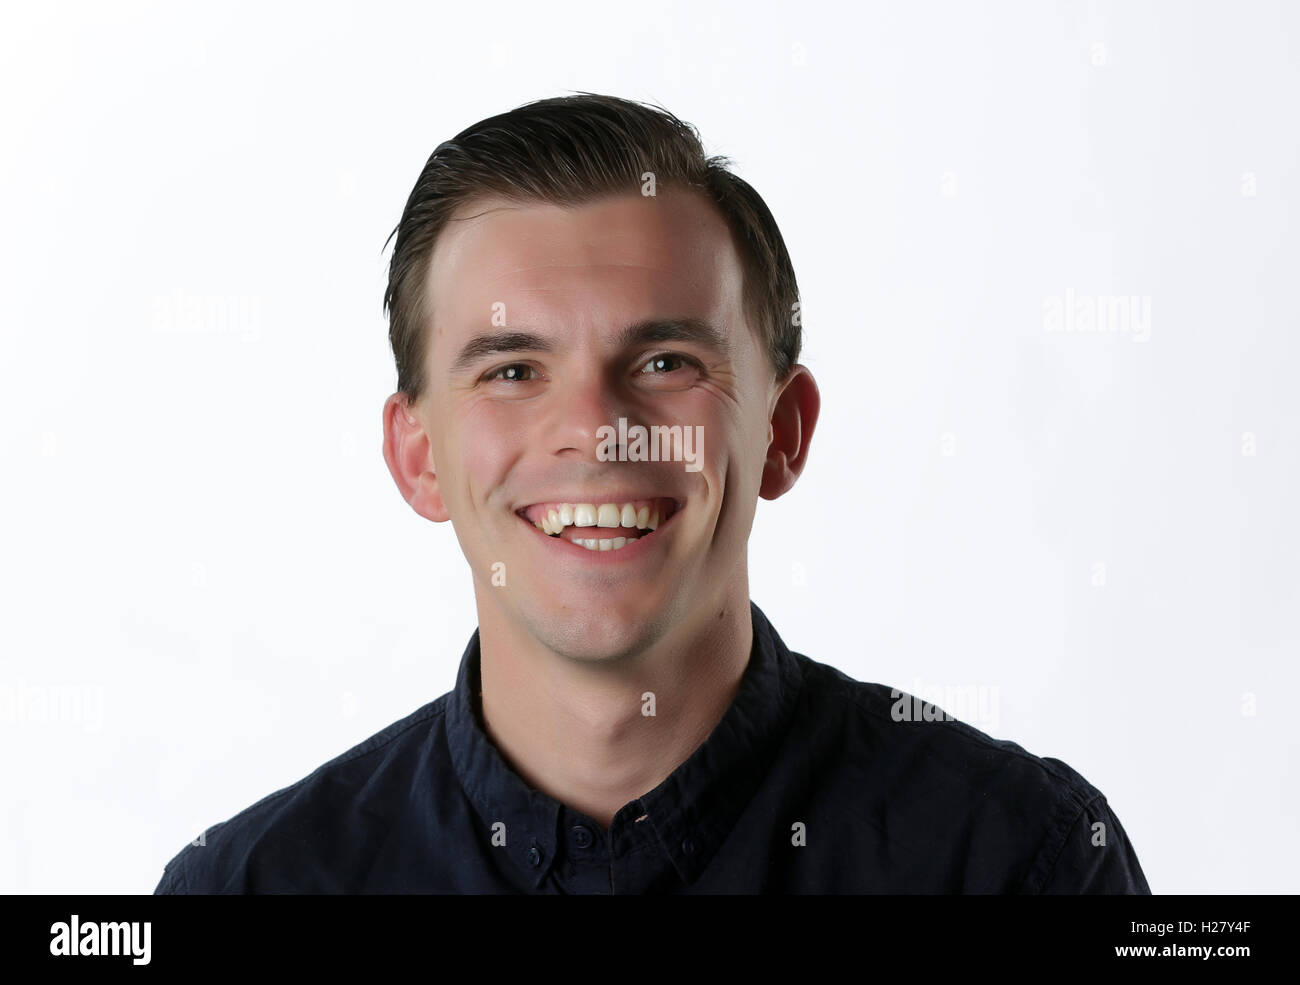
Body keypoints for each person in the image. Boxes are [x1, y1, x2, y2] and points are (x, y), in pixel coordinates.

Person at [153, 93, 1150, 893]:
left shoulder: (1021, 862)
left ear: (781, 433)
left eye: (666, 359)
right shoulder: (247, 886)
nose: (598, 427)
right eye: (511, 369)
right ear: (418, 459)